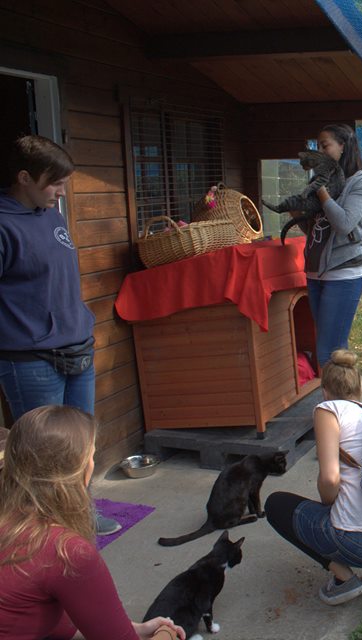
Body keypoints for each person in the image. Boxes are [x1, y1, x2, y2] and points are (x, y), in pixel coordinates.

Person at [0, 135, 119, 536]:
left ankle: (80, 515)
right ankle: (45, 533)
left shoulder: (49, 213)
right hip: (30, 360)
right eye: (54, 183)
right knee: (43, 455)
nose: (61, 192)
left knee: (81, 447)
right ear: (24, 178)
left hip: (77, 349)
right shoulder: (3, 224)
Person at [0, 405, 186, 640]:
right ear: (77, 472)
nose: (92, 464)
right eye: (91, 457)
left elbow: (35, 609)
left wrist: (131, 628)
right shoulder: (67, 552)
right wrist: (166, 634)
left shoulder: (12, 522)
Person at [264, 350, 362, 606]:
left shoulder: (327, 410)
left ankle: (343, 578)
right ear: (359, 388)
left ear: (325, 391)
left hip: (361, 544)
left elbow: (330, 480)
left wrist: (329, 507)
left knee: (276, 504)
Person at [298, 124, 362, 369]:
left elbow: (343, 224)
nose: (319, 150)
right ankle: (342, 402)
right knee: (331, 347)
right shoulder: (323, 180)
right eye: (317, 146)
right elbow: (317, 231)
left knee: (329, 352)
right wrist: (299, 211)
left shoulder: (361, 183)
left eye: (325, 145)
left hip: (343, 273)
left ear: (343, 147)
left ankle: (338, 406)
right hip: (316, 272)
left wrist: (321, 193)